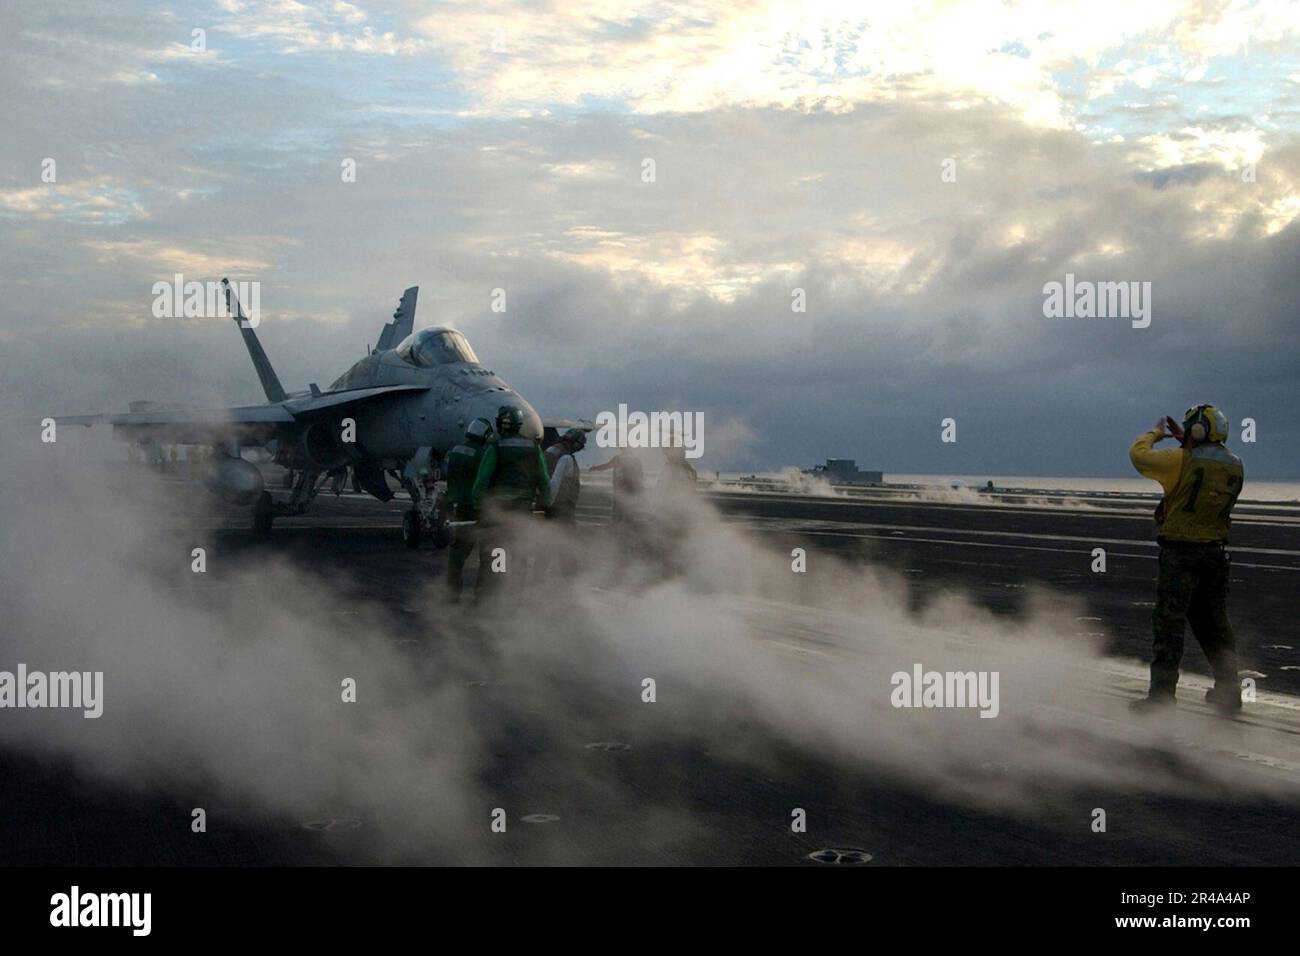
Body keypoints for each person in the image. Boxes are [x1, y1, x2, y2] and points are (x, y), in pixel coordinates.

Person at [1129, 404, 1245, 714]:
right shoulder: (1235, 465)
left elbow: (1139, 456)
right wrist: (1188, 444)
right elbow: (1204, 474)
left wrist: (1154, 434)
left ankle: (1162, 697)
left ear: (1196, 430)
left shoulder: (1180, 460)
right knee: (1216, 624)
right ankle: (1229, 693)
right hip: (1216, 555)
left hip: (1181, 553)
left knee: (1170, 626)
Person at [471, 405, 552, 596]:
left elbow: (481, 482)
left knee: (496, 555)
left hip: (498, 512)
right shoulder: (534, 448)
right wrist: (545, 506)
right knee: (520, 554)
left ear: (503, 424)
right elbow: (544, 481)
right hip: (523, 511)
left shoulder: (496, 447)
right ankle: (516, 599)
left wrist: (478, 507)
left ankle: (489, 597)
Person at [444, 417, 493, 601]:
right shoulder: (483, 453)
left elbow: (449, 477)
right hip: (477, 507)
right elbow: (485, 480)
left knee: (457, 554)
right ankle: (482, 597)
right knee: (489, 554)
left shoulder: (455, 451)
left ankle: (452, 594)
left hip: (458, 507)